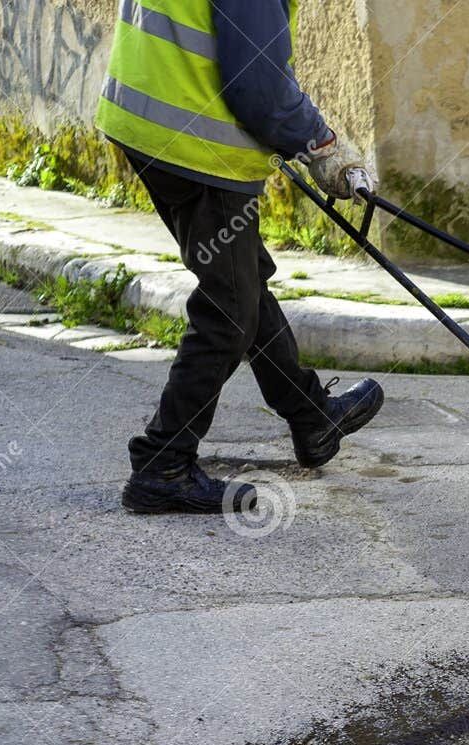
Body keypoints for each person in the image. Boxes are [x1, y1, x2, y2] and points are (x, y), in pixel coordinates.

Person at [96, 0, 385, 514]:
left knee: (243, 279)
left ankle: (312, 417)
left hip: (149, 124)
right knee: (230, 308)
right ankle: (162, 463)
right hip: (197, 143)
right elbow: (258, 85)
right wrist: (321, 144)